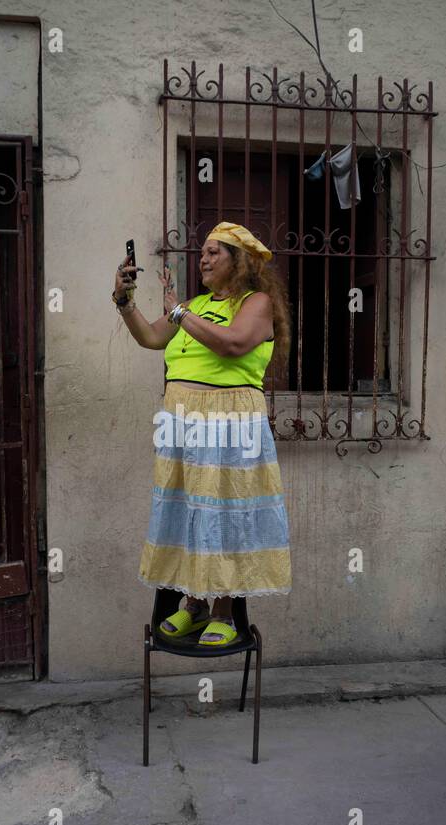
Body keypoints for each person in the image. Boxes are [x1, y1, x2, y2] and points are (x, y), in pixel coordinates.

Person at [113, 222, 293, 647]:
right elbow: (152, 337)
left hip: (229, 418)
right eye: (203, 253)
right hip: (183, 420)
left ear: (240, 261)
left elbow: (232, 344)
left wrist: (179, 312)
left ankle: (225, 612)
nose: (204, 259)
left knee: (227, 510)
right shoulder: (194, 305)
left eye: (215, 252)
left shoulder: (256, 302)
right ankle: (193, 603)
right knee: (192, 507)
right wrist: (124, 299)